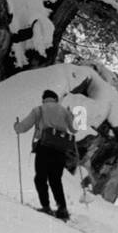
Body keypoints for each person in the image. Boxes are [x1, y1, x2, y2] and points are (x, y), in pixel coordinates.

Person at [15, 90, 75, 221]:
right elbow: (74, 128)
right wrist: (72, 115)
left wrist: (17, 126)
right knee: (56, 179)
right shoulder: (64, 111)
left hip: (44, 147)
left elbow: (24, 127)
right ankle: (62, 208)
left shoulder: (39, 109)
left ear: (44, 99)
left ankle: (46, 206)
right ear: (55, 99)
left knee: (40, 177)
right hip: (60, 150)